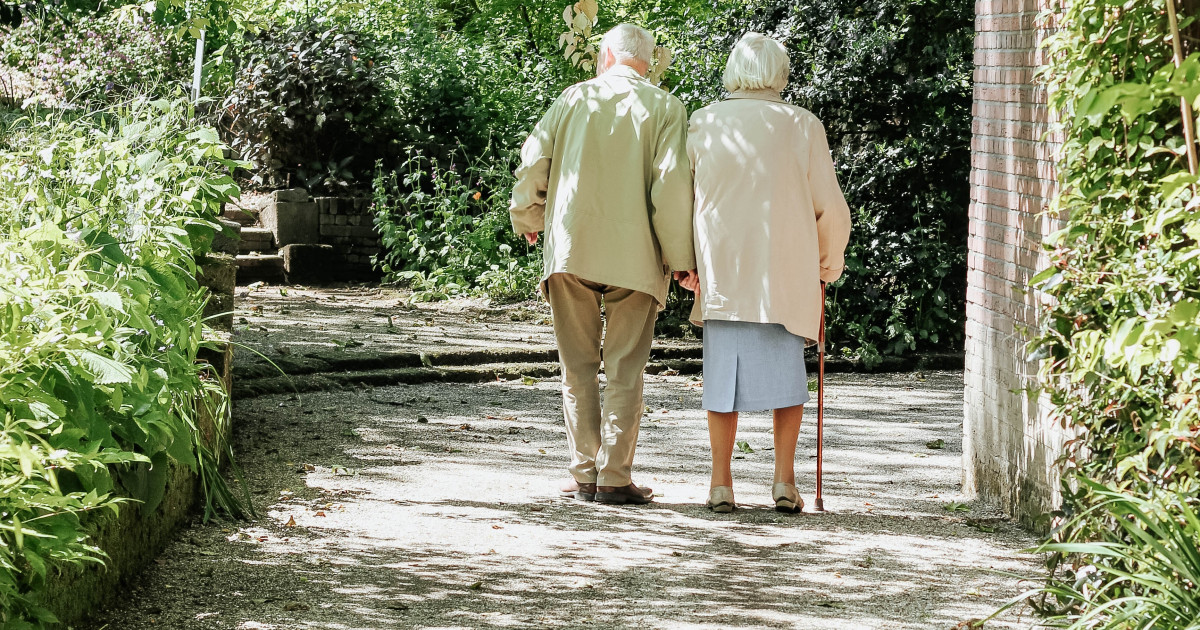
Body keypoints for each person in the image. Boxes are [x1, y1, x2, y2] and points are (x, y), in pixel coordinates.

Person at [510, 23, 698, 506]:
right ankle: (614, 477)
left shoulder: (573, 98)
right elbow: (671, 187)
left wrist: (528, 214)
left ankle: (583, 474)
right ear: (648, 61)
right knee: (624, 368)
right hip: (636, 256)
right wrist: (681, 260)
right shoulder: (666, 107)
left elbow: (534, 163)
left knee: (577, 367)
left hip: (573, 248)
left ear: (606, 56)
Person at [682, 32, 851, 513]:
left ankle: (720, 483)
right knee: (787, 380)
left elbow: (683, 201)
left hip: (724, 271)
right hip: (785, 271)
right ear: (781, 72)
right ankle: (783, 481)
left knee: (721, 380)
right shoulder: (802, 126)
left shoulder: (704, 122)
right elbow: (830, 209)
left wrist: (686, 263)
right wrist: (827, 263)